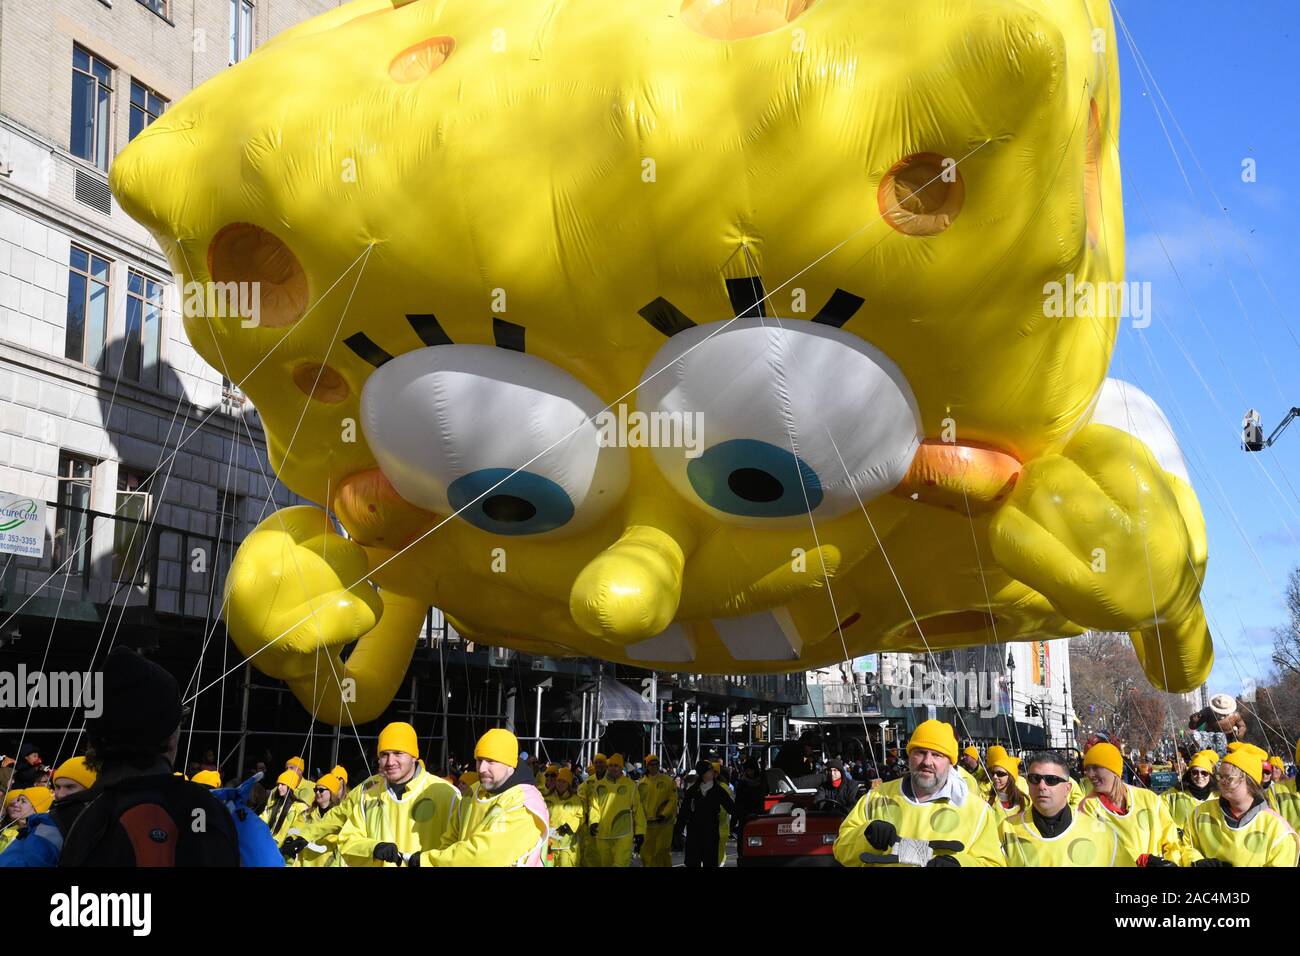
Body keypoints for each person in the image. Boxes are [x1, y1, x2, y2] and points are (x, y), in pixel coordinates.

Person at [833, 720, 1003, 867]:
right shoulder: (876, 799)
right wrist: (866, 837)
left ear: (950, 763)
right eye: (920, 752)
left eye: (937, 755)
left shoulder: (977, 812)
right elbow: (841, 849)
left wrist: (961, 863)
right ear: (909, 756)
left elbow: (993, 863)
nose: (927, 761)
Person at [410, 728, 549, 866]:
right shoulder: (474, 790)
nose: (482, 768)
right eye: (479, 760)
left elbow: (483, 857)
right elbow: (450, 838)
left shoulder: (525, 802)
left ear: (509, 764)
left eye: (490, 761)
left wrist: (426, 861)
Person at [337, 721, 460, 867]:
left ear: (414, 756)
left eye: (398, 753)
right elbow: (348, 840)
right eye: (384, 755)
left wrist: (428, 861)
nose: (390, 761)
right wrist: (374, 848)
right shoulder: (369, 792)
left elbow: (459, 850)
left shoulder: (446, 794)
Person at [999, 751, 1117, 866]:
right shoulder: (1008, 829)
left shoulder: (1100, 832)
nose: (1041, 786)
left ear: (1068, 788)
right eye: (1035, 778)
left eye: (1051, 780)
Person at [1186, 747, 1299, 867]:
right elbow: (1186, 845)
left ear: (1250, 781)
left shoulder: (1278, 831)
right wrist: (1197, 862)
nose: (1221, 782)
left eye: (1228, 778)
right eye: (1220, 777)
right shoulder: (1201, 813)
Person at [1078, 742, 1185, 867]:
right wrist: (1142, 860)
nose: (1090, 775)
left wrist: (1172, 862)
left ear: (1113, 770)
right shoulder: (1087, 808)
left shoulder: (1149, 799)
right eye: (1087, 769)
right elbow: (1097, 849)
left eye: (1095, 768)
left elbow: (1172, 841)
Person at [587, 753, 645, 867]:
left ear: (621, 768)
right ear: (608, 767)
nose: (613, 768)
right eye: (611, 765)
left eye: (616, 766)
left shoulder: (630, 785)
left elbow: (637, 809)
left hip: (623, 833)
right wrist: (593, 822)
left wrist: (640, 831)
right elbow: (594, 807)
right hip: (603, 833)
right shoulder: (598, 785)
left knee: (620, 864)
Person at [675, 760, 736, 867]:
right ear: (703, 773)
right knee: (693, 862)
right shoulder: (693, 791)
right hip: (694, 833)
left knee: (710, 862)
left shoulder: (718, 790)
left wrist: (744, 817)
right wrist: (677, 832)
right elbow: (684, 813)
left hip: (710, 833)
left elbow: (731, 807)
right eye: (710, 770)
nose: (713, 772)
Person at [1163, 750, 1216, 842]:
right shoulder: (1174, 794)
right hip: (1181, 846)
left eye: (1204, 773)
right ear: (1189, 774)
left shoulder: (1218, 796)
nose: (1199, 776)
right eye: (1195, 772)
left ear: (1210, 776)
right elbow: (1157, 808)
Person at [637, 754, 677, 868]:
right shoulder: (642, 783)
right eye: (651, 764)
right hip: (648, 824)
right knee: (646, 853)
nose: (654, 767)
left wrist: (664, 814)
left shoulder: (668, 781)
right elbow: (638, 803)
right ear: (647, 766)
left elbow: (673, 800)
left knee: (661, 851)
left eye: (656, 764)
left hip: (665, 824)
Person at [545, 767, 585, 867]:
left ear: (569, 784)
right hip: (549, 846)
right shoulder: (547, 798)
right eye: (559, 781)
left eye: (564, 781)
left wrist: (569, 826)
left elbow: (580, 817)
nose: (560, 784)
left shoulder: (576, 800)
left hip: (567, 846)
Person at [261, 770, 310, 843]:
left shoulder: (301, 807)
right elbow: (262, 819)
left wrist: (288, 841)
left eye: (283, 784)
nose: (279, 787)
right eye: (278, 784)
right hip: (268, 844)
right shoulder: (274, 803)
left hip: (284, 849)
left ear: (291, 787)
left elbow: (298, 828)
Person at [986, 751, 1027, 816]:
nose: (995, 777)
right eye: (993, 773)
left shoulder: (1025, 801)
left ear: (1011, 777)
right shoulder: (987, 799)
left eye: (1000, 774)